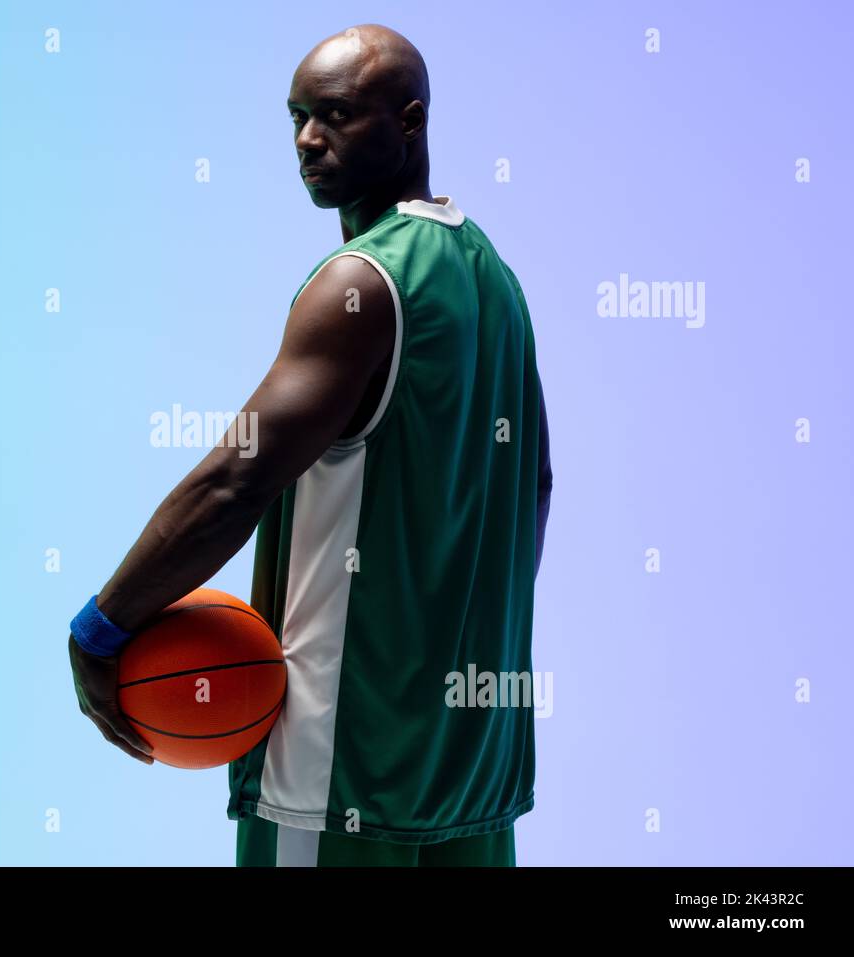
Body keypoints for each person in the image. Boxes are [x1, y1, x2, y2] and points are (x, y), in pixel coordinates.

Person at [68, 22, 553, 867]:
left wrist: (100, 628)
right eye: (296, 116)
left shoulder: (362, 284)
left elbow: (234, 482)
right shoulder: (497, 282)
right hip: (472, 767)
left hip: (346, 770)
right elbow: (534, 486)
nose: (305, 138)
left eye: (335, 114)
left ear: (410, 121)